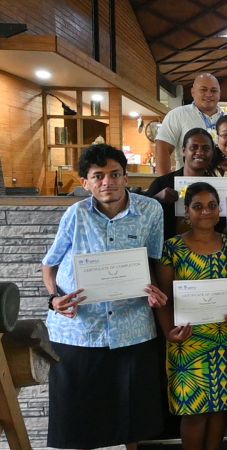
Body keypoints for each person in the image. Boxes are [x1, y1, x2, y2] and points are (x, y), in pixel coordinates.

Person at [42, 144, 167, 449]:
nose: (107, 182)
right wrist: (55, 299)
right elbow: (49, 263)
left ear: (126, 177)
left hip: (131, 325)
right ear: (84, 182)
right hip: (80, 329)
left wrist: (157, 293)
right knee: (81, 409)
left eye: (114, 174)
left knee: (131, 409)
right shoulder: (76, 214)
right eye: (97, 176)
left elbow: (153, 260)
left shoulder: (150, 210)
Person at [155, 182, 227, 450]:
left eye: (211, 206)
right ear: (186, 212)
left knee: (219, 409)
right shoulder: (172, 248)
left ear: (220, 211)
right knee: (193, 411)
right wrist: (168, 332)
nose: (205, 212)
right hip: (187, 340)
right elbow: (163, 298)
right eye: (197, 206)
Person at [146, 128, 215, 240]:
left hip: (206, 249)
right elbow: (141, 215)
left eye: (206, 148)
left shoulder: (217, 187)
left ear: (212, 153)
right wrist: (157, 199)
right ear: (183, 150)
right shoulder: (162, 183)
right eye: (194, 147)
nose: (200, 152)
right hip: (167, 248)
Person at [155, 73, 223, 175]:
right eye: (203, 90)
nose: (209, 94)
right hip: (187, 183)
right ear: (193, 92)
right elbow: (162, 148)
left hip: (221, 183)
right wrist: (165, 183)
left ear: (219, 94)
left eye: (214, 90)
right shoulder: (177, 115)